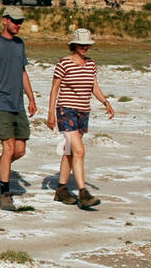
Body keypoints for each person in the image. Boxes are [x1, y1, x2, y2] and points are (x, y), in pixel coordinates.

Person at [0, 5, 39, 211]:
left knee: (19, 150)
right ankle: (5, 195)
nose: (18, 24)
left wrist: (31, 98)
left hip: (17, 104)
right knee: (9, 148)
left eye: (20, 21)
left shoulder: (20, 45)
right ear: (4, 20)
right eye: (14, 21)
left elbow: (23, 73)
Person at [46, 28, 113, 208]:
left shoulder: (91, 64)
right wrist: (51, 113)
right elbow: (54, 89)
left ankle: (61, 189)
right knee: (80, 151)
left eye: (87, 45)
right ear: (74, 45)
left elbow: (94, 87)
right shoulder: (64, 64)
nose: (84, 47)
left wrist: (106, 102)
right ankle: (83, 193)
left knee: (70, 152)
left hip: (83, 112)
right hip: (66, 111)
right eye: (81, 44)